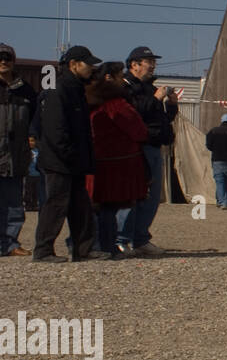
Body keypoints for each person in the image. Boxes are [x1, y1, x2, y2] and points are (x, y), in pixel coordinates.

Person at [32, 46, 103, 262]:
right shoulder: (58, 89)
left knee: (80, 206)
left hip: (74, 161)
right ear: (74, 64)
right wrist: (69, 155)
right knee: (56, 205)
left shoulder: (75, 89)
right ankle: (43, 251)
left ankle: (84, 249)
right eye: (88, 64)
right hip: (60, 161)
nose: (92, 69)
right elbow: (55, 130)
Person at [118, 46, 178, 257]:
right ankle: (121, 239)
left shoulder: (147, 87)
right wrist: (155, 99)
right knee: (133, 195)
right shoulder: (125, 86)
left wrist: (171, 106)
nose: (152, 66)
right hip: (136, 148)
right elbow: (133, 113)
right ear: (134, 64)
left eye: (153, 62)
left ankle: (141, 238)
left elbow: (159, 119)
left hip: (155, 146)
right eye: (148, 62)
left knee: (152, 197)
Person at [85, 63, 149, 258]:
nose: (123, 79)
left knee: (96, 206)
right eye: (120, 76)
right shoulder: (117, 104)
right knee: (108, 207)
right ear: (109, 78)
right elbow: (139, 130)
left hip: (96, 160)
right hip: (116, 164)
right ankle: (107, 246)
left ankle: (94, 246)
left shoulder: (90, 101)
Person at [0, 43, 37, 256]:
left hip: (15, 154)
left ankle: (10, 244)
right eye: (0, 57)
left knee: (14, 203)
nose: (3, 60)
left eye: (8, 57)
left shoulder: (25, 90)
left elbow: (35, 120)